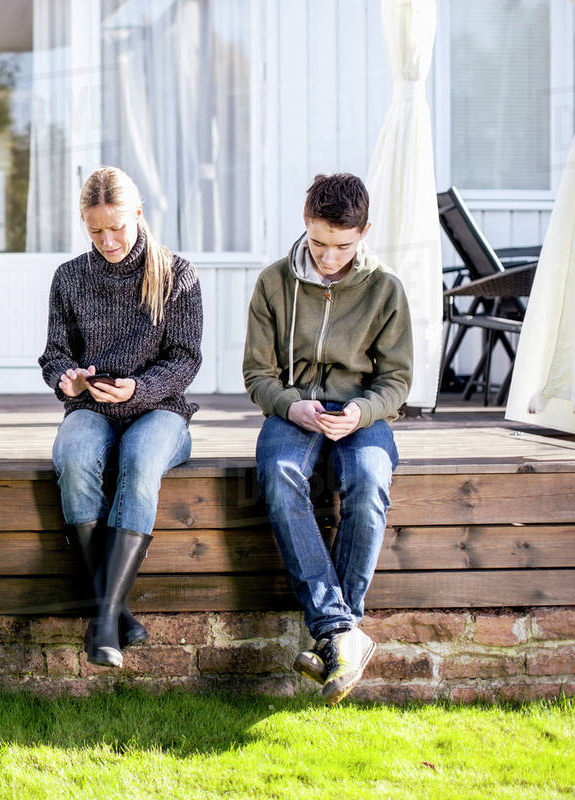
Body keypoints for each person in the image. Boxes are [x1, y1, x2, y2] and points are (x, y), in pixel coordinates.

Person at [243, 173, 412, 705]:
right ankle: (344, 632)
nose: (329, 257)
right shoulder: (273, 282)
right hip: (294, 410)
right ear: (305, 226)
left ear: (365, 231)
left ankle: (334, 632)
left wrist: (361, 411)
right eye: (318, 243)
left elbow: (398, 381)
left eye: (343, 245)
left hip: (361, 414)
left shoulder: (386, 289)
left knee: (368, 481)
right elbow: (257, 375)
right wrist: (291, 405)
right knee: (279, 475)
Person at [38, 166, 203, 670]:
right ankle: (115, 613)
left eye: (117, 228)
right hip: (91, 405)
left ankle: (103, 614)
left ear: (138, 213)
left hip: (160, 410)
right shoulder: (69, 277)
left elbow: (186, 358)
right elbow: (53, 355)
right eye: (95, 231)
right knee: (74, 456)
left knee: (138, 459)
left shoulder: (177, 273)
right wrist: (67, 378)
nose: (107, 240)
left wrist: (141, 387)